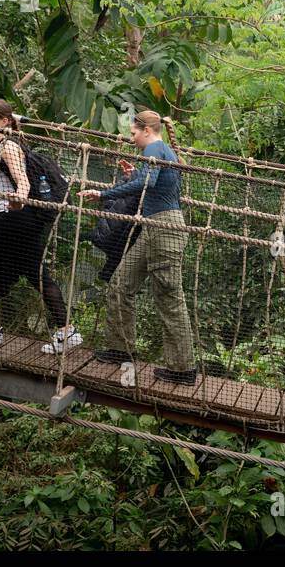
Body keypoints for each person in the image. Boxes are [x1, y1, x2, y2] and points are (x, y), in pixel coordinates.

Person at [80, 110, 196, 386]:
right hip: (152, 228)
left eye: (133, 133)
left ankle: (182, 369)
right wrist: (135, 175)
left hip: (165, 230)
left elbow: (147, 183)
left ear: (146, 130)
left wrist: (103, 194)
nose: (131, 139)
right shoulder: (161, 150)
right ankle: (121, 349)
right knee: (121, 283)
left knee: (169, 298)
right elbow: (153, 183)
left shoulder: (155, 148)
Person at [0, 100, 71, 350]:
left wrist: (18, 199)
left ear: (5, 121)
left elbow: (23, 184)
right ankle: (64, 331)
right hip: (11, 220)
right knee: (34, 273)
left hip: (16, 220)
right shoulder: (0, 144)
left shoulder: (7, 146)